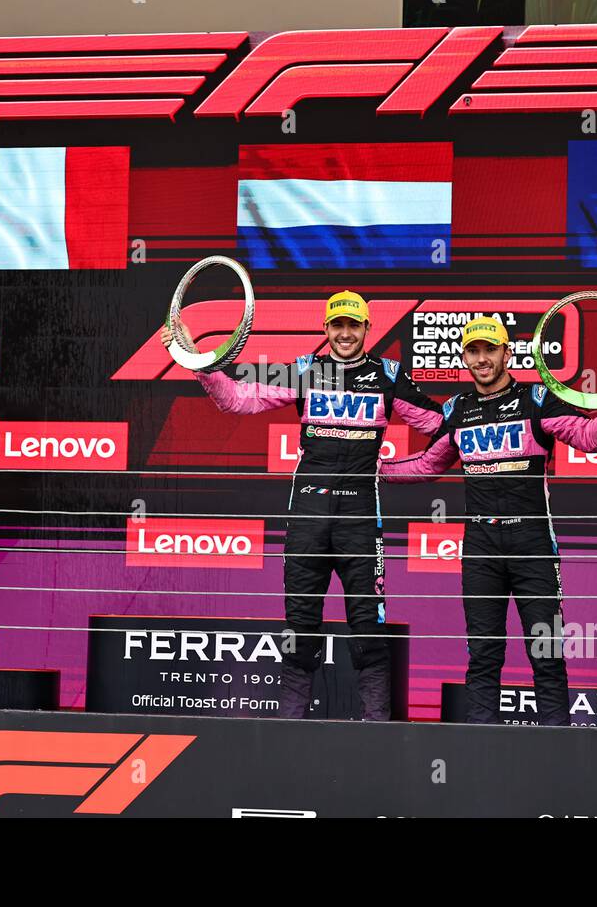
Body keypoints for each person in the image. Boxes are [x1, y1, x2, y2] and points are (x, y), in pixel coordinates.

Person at [160, 291, 444, 720]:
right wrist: (195, 358)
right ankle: (290, 728)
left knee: (368, 626)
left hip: (361, 523)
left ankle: (376, 732)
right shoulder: (305, 372)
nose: (345, 333)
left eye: (354, 325)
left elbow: (442, 429)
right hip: (308, 520)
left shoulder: (390, 376)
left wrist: (397, 470)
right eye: (337, 325)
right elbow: (236, 398)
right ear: (326, 330)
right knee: (299, 625)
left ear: (368, 329)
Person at [381, 315, 597, 725]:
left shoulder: (537, 400)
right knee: (484, 657)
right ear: (464, 358)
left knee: (547, 654)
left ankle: (556, 758)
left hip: (533, 548)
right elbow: (426, 465)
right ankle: (481, 759)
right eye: (473, 351)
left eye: (490, 350)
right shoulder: (457, 410)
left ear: (507, 353)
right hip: (480, 551)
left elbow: (590, 440)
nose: (482, 358)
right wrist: (371, 470)